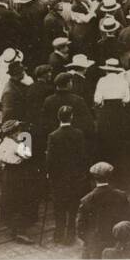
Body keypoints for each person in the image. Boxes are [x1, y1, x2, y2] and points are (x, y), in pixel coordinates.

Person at [45, 105, 89, 246]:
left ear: (58, 118)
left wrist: (49, 175)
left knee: (59, 207)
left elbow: (50, 159)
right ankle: (70, 236)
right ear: (71, 117)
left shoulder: (53, 136)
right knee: (73, 207)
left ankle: (58, 235)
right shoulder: (78, 134)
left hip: (58, 178)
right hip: (75, 177)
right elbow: (83, 156)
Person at [78, 162, 130, 259]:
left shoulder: (86, 200)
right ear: (110, 177)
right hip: (116, 243)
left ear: (94, 178)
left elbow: (80, 229)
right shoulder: (121, 195)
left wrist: (91, 241)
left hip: (95, 247)